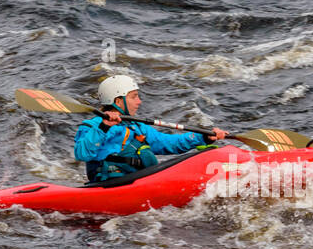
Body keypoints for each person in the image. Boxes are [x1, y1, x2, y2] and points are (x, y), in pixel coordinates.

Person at [74, 75, 227, 182]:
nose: (139, 101)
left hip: (137, 180)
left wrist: (203, 137)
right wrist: (104, 126)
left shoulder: (137, 127)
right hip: (108, 184)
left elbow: (169, 143)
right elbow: (82, 154)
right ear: (118, 101)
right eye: (134, 97)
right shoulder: (93, 126)